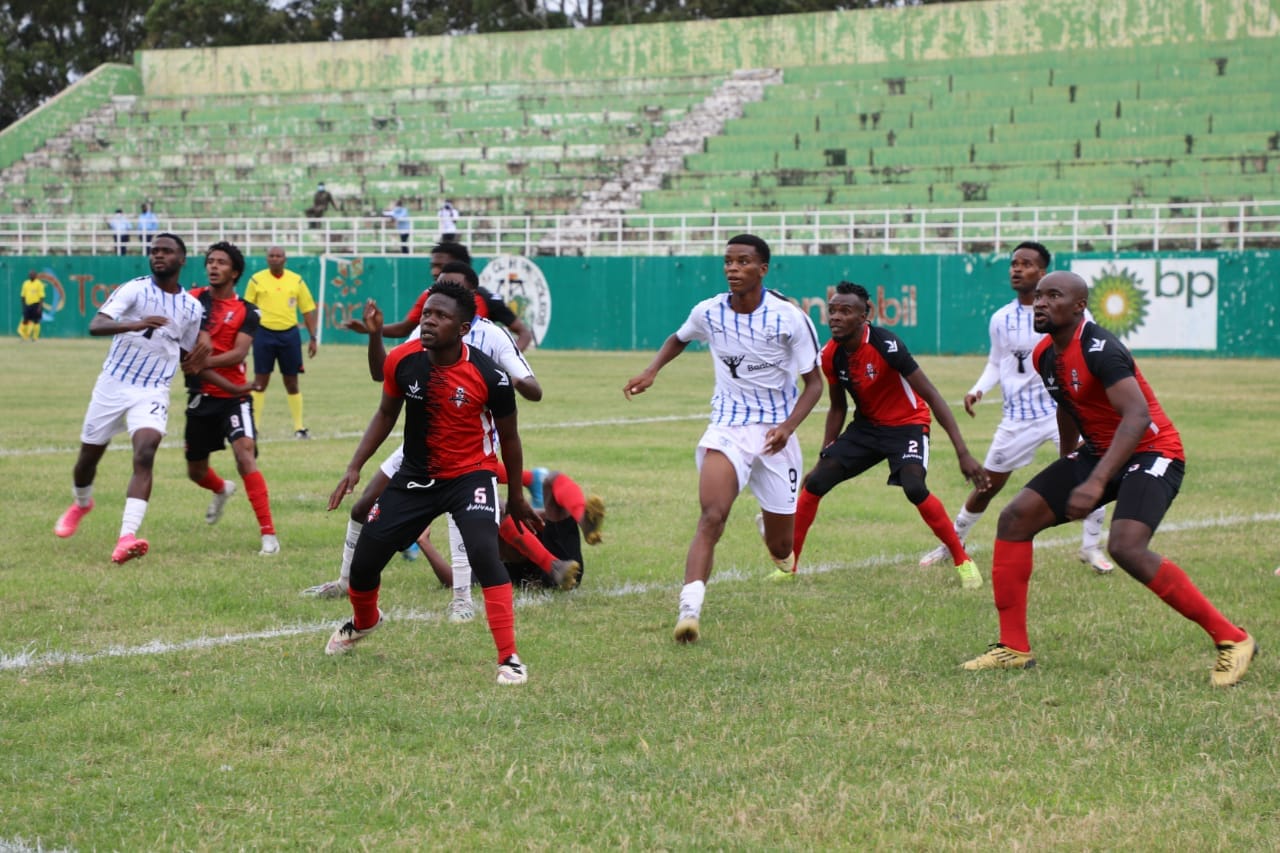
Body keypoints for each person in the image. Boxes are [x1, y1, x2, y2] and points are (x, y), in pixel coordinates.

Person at [961, 271, 1256, 687]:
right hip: (1100, 451)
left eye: (1053, 296)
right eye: (1039, 296)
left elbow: (1138, 417)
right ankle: (1013, 648)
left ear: (1079, 306)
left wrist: (1096, 483)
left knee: (1126, 547)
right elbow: (1067, 405)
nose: (1041, 303)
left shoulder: (1100, 348)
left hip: (1153, 454)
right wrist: (1068, 463)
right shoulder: (1047, 351)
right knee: (1015, 519)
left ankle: (1233, 639)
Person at [323, 278, 542, 686]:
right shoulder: (403, 360)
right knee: (365, 563)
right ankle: (365, 622)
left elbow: (510, 440)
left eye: (441, 316)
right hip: (415, 475)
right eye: (427, 313)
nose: (429, 322)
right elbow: (386, 413)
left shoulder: (489, 375)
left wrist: (515, 495)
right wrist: (355, 466)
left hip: (470, 474)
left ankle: (509, 658)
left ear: (463, 328)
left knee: (484, 552)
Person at [624, 234, 824, 644]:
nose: (733, 268)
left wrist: (788, 427)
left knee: (783, 549)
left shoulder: (790, 319)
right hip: (728, 427)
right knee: (711, 517)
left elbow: (814, 384)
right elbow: (679, 337)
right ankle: (689, 611)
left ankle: (770, 532)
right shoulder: (709, 312)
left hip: (775, 436)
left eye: (743, 262)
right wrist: (651, 371)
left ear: (763, 269)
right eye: (728, 262)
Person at [919, 241, 1113, 574]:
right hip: (1017, 419)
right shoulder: (1001, 318)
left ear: (1043, 272)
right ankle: (953, 543)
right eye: (1013, 263)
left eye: (1026, 264)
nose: (1016, 269)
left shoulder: (1073, 313)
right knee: (988, 485)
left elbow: (1087, 357)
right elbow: (997, 362)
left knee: (1090, 473)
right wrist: (978, 389)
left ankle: (1091, 547)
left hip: (1062, 414)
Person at [790, 281, 989, 589]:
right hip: (867, 427)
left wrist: (962, 452)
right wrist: (825, 454)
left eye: (846, 311)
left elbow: (933, 396)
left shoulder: (887, 345)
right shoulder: (830, 355)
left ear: (864, 316)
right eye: (832, 311)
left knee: (913, 485)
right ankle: (789, 566)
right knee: (816, 482)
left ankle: (963, 560)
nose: (836, 317)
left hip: (908, 424)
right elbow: (837, 408)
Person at [54, 234, 208, 564]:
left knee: (146, 449)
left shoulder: (192, 308)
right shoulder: (135, 289)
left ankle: (126, 537)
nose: (158, 256)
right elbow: (96, 325)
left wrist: (201, 368)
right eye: (154, 251)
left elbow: (185, 355)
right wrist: (137, 323)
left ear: (182, 259)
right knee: (87, 461)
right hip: (113, 385)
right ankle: (82, 504)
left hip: (153, 389)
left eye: (166, 251)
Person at [184, 241, 280, 556]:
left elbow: (238, 353)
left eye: (221, 262)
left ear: (234, 271)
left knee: (244, 455)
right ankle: (222, 489)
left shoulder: (248, 311)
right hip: (201, 396)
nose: (213, 266)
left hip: (235, 398)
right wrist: (195, 361)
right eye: (210, 261)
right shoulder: (193, 300)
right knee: (196, 471)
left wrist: (200, 362)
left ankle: (269, 536)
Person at [346, 242, 534, 352]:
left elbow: (524, 333)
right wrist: (371, 330)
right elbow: (405, 328)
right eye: (433, 266)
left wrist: (507, 363)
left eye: (441, 266)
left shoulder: (484, 298)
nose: (436, 271)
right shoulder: (429, 297)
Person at [244, 246, 318, 438]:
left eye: (279, 256)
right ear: (267, 259)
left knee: (292, 382)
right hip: (263, 334)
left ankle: (299, 427)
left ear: (285, 259)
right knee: (260, 381)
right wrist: (246, 336)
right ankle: (253, 428)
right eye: (271, 256)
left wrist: (312, 337)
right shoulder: (256, 280)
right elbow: (246, 310)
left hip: (289, 336)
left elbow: (307, 309)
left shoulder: (296, 280)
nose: (275, 259)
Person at [501, 467, 606, 590]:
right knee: (499, 508)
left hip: (569, 567)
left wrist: (539, 516)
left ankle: (584, 521)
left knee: (552, 479)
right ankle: (553, 565)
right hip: (540, 575)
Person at [18, 270, 47, 342]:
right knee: (25, 321)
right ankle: (24, 337)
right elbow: (22, 296)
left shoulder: (39, 284)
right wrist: (23, 305)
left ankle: (35, 337)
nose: (31, 276)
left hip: (36, 304)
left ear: (36, 275)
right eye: (30, 274)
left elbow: (42, 297)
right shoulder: (25, 283)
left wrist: (40, 307)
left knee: (36, 321)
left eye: (33, 274)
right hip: (27, 304)